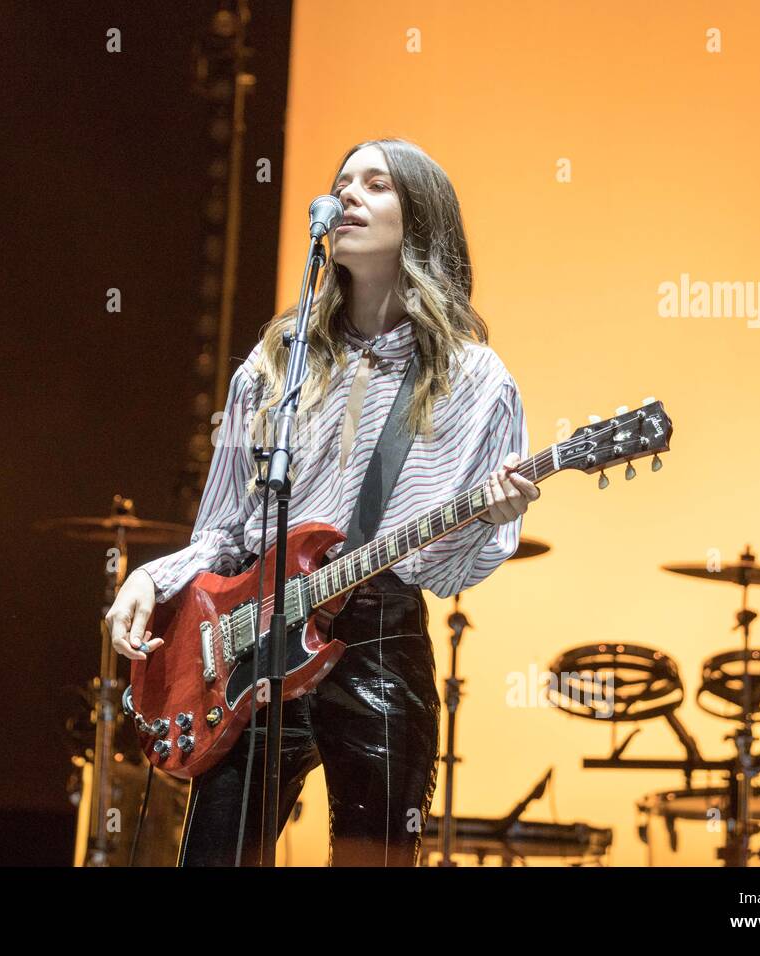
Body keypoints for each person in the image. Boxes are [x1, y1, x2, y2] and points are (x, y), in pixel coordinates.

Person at [104, 138, 539, 866]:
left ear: (422, 217)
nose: (349, 196)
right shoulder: (277, 360)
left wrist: (489, 517)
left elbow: (443, 571)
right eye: (341, 184)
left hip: (376, 647)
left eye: (376, 183)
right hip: (250, 648)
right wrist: (152, 577)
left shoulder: (472, 378)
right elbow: (224, 533)